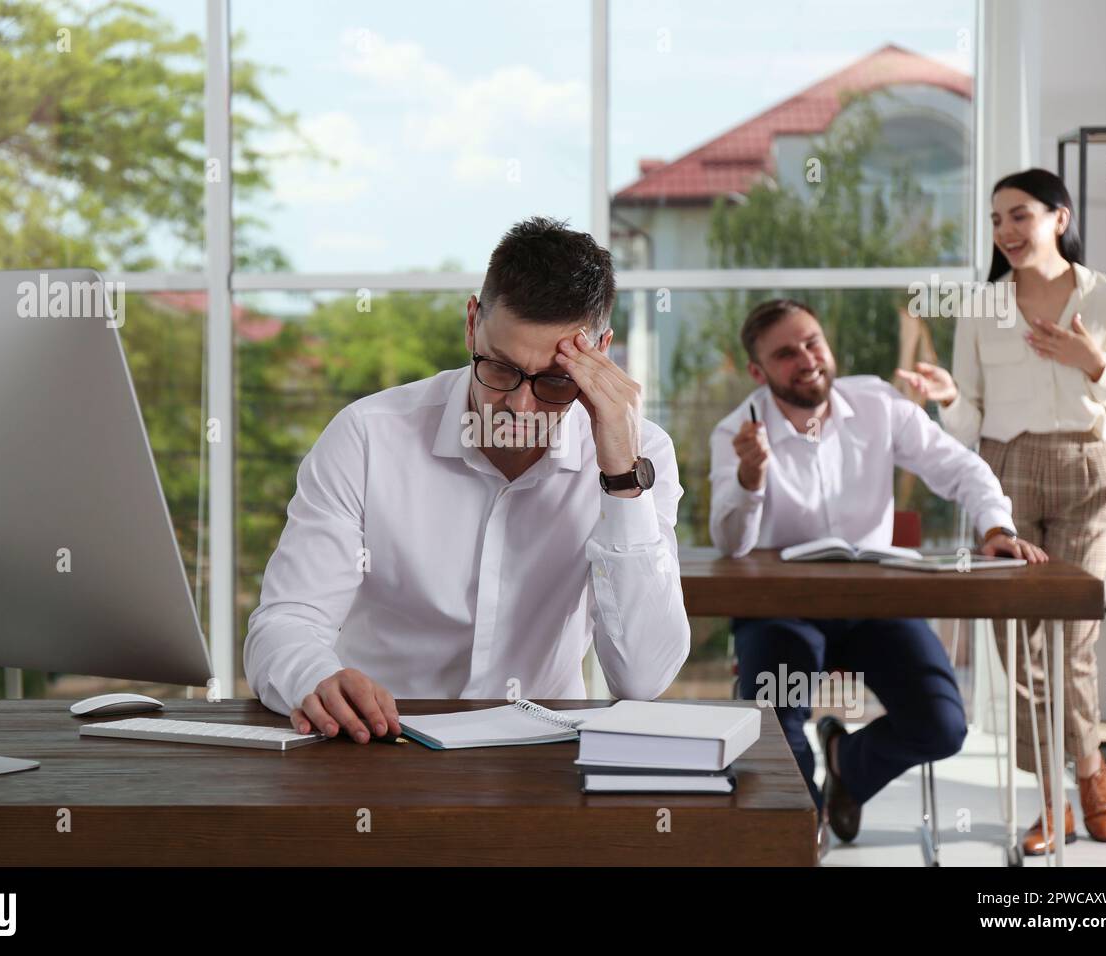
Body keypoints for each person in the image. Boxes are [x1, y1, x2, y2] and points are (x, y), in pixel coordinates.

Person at [245, 217, 690, 741]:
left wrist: (621, 480)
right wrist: (314, 678)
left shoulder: (639, 454)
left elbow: (642, 679)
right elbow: (286, 621)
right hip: (379, 744)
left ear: (602, 352)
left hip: (541, 754)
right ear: (472, 323)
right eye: (500, 369)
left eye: (554, 380)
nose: (520, 407)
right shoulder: (367, 437)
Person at [710, 298, 1046, 845]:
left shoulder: (877, 404)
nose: (807, 359)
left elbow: (959, 467)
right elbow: (730, 542)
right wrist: (750, 479)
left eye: (812, 342)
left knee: (941, 724)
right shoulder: (736, 433)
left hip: (876, 605)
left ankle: (847, 760)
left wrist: (996, 529)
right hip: (782, 611)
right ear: (758, 371)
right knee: (774, 726)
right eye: (786, 353)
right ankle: (802, 828)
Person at [897, 168, 1106, 854]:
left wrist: (1092, 362)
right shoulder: (983, 308)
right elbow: (971, 419)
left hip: (1088, 472)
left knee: (1072, 642)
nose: (1006, 231)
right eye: (996, 220)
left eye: (1020, 216)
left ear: (1058, 218)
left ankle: (1091, 770)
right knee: (1018, 646)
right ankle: (1050, 800)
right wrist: (949, 396)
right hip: (1007, 473)